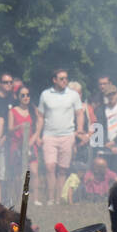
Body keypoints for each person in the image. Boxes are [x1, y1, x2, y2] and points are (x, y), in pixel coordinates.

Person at [35, 69, 85, 206]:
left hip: (67, 135)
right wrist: (38, 135)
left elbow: (79, 113)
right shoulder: (45, 94)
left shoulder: (73, 95)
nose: (65, 81)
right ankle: (51, 198)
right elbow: (40, 116)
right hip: (49, 135)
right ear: (54, 80)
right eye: (61, 78)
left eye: (66, 78)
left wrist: (79, 130)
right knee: (50, 166)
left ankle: (59, 199)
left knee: (62, 169)